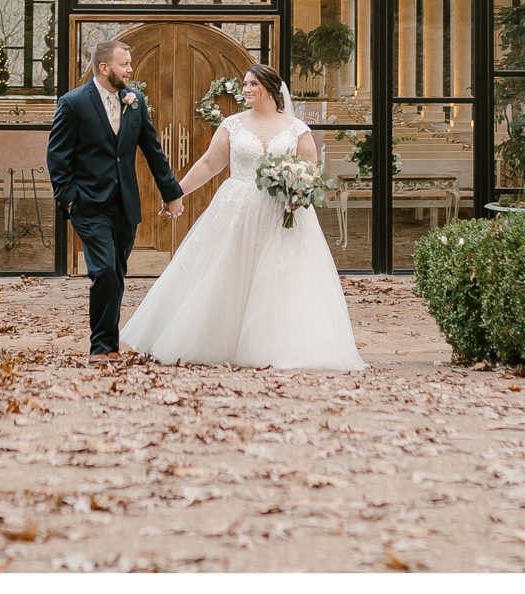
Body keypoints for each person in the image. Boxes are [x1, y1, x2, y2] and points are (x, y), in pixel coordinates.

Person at [120, 62, 365, 370]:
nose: (246, 89)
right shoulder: (232, 125)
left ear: (271, 89)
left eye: (253, 84)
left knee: (282, 274)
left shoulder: (296, 128)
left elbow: (311, 170)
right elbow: (210, 164)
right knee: (226, 270)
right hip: (237, 207)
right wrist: (176, 193)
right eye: (245, 84)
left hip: (282, 210)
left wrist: (297, 187)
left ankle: (281, 345)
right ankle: (214, 340)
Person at [48, 39, 185, 355]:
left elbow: (152, 150)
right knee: (105, 270)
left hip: (125, 204)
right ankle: (102, 347)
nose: (130, 69)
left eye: (130, 63)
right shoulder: (73, 103)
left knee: (116, 274)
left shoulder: (135, 101)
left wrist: (171, 193)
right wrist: (70, 199)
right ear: (104, 68)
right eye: (125, 64)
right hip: (88, 204)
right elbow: (57, 157)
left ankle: (108, 344)